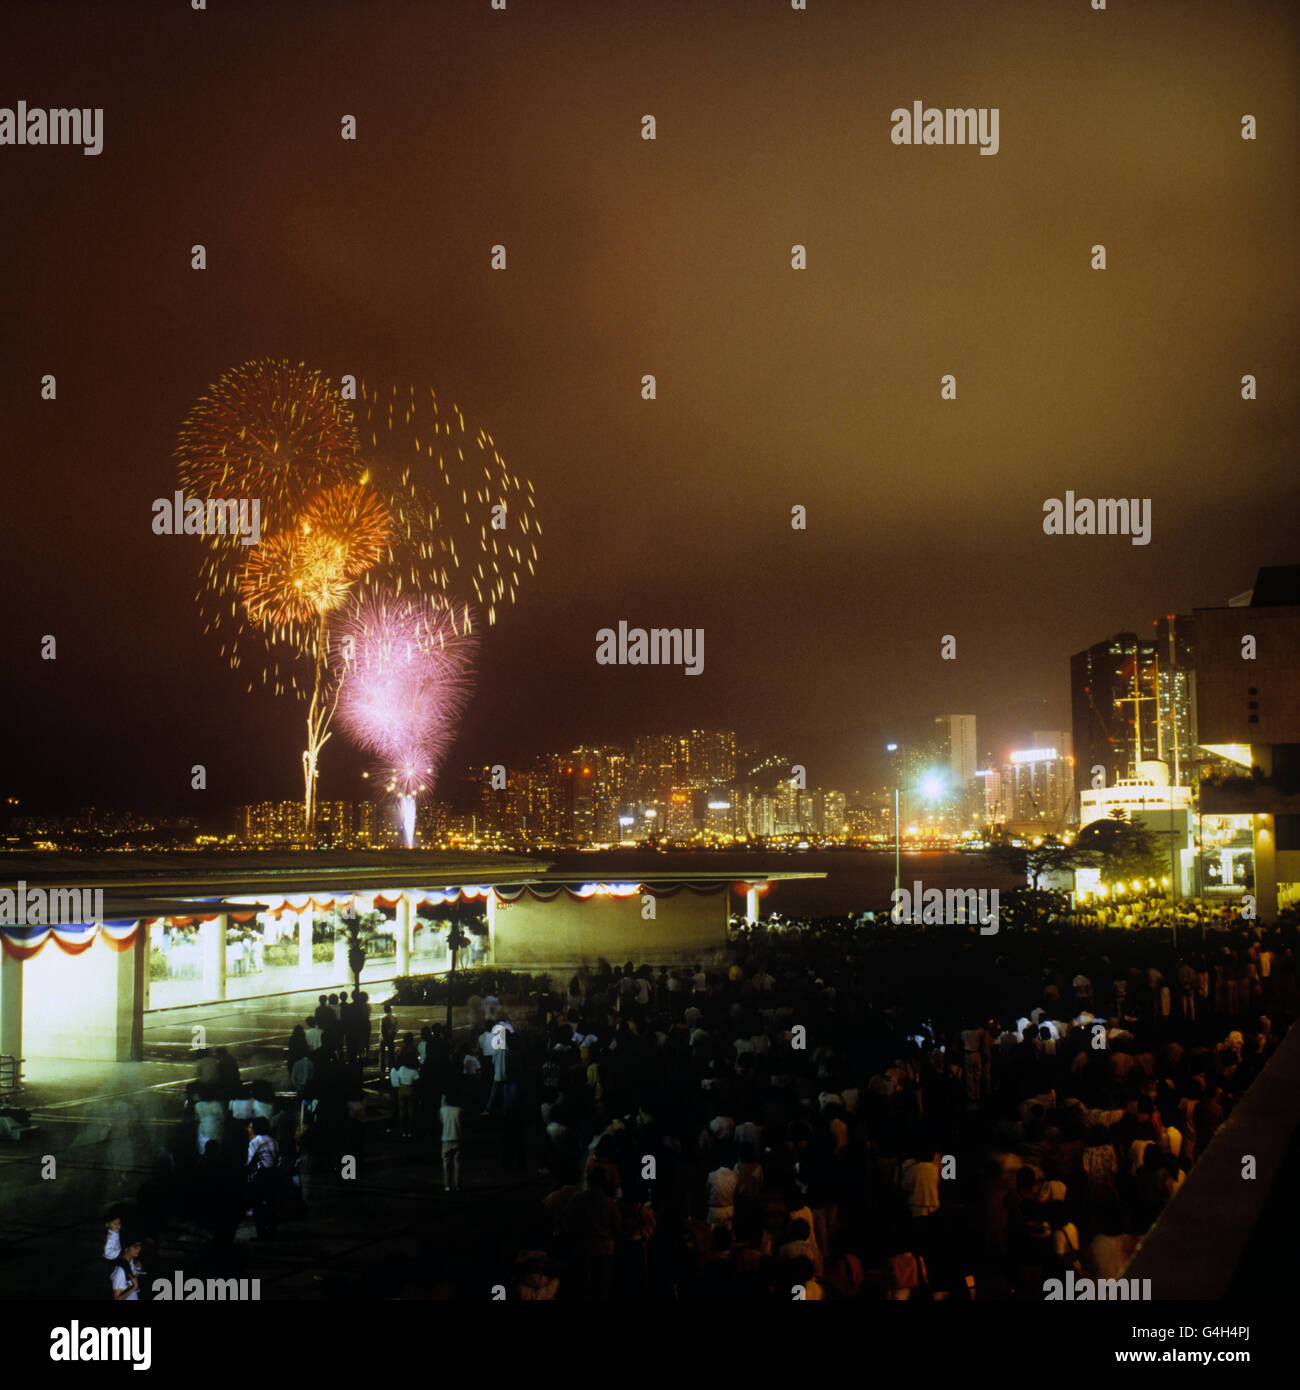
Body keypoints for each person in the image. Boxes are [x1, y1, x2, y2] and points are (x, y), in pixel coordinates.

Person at [246, 1116, 280, 1239]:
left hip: (261, 1175)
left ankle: (261, 1233)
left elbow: (249, 1161)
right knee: (272, 1204)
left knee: (258, 1205)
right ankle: (272, 1231)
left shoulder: (255, 1141)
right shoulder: (274, 1141)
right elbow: (278, 1159)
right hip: (274, 1174)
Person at [440, 1088, 464, 1192]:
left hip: (446, 1139)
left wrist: (442, 1099)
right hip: (457, 1138)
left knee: (446, 1163)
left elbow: (441, 1121)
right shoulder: (459, 1110)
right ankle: (457, 1185)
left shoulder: (443, 1110)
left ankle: (447, 1185)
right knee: (457, 1163)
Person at [380, 1003, 398, 1072]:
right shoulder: (395, 1019)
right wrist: (392, 1037)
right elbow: (395, 1029)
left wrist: (385, 1038)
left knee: (383, 1053)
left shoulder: (383, 1019)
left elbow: (383, 1030)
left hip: (384, 1038)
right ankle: (391, 1066)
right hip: (391, 1038)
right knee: (391, 1054)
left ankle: (383, 1067)